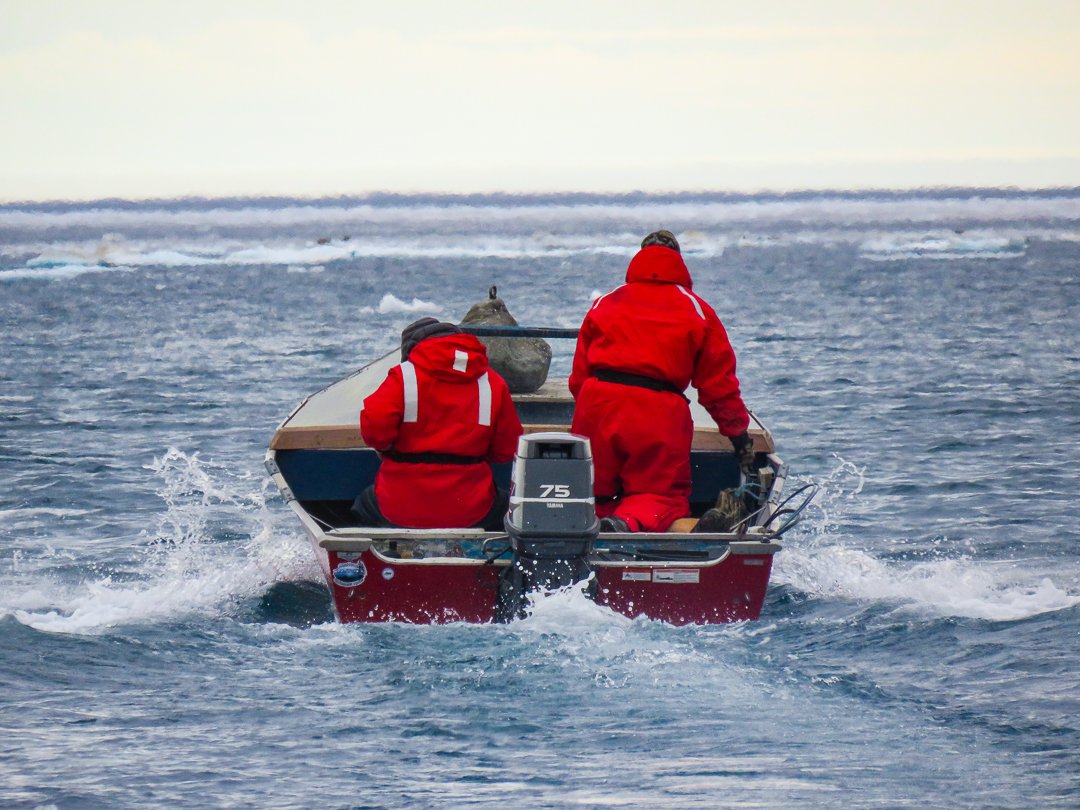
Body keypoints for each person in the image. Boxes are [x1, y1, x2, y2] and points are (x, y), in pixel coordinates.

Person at [568, 230, 754, 533]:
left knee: (592, 488)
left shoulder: (605, 303)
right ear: (678, 261)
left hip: (597, 404)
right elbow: (718, 387)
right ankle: (626, 525)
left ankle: (590, 529)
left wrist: (594, 411)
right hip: (656, 412)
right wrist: (739, 437)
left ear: (639, 258)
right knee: (658, 496)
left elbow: (579, 377)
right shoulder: (697, 309)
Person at [352, 317, 523, 530]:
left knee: (363, 505)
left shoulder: (403, 376)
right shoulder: (492, 382)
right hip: (471, 507)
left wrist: (388, 448)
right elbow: (507, 450)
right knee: (507, 509)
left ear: (410, 350)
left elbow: (374, 431)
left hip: (400, 506)